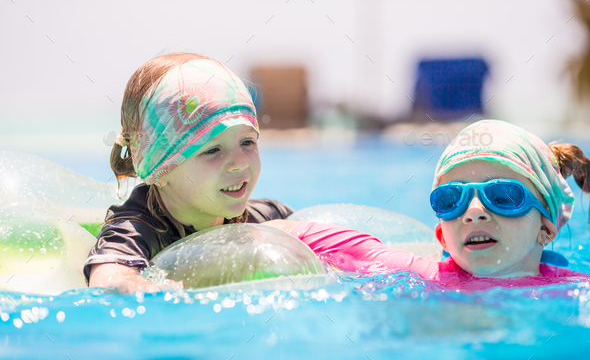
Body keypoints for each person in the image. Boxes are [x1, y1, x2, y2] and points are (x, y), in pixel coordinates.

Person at [265, 120, 590, 290]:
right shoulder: (428, 277)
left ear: (546, 229)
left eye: (503, 196)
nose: (474, 211)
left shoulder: (574, 290)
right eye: (451, 199)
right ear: (442, 237)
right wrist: (275, 228)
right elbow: (358, 249)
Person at [86, 53, 293, 293]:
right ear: (160, 169)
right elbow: (109, 279)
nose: (239, 163)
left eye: (247, 142)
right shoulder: (136, 228)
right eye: (212, 150)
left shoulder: (268, 217)